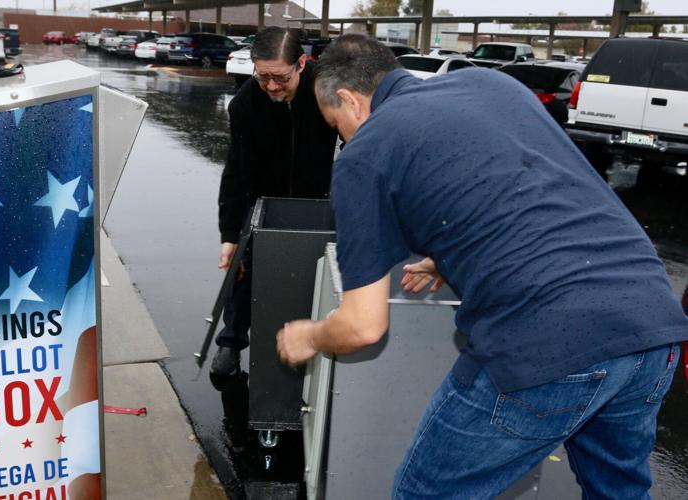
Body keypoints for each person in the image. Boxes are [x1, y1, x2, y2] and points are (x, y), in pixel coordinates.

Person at [276, 34, 688, 498]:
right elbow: (524, 188)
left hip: (547, 339)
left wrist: (310, 336)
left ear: (349, 100)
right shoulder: (493, 84)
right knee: (620, 491)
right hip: (650, 320)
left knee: (425, 494)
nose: (344, 138)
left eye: (337, 125)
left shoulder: (365, 152)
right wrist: (449, 254)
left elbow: (362, 327)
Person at [211, 27, 338, 376]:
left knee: (316, 275)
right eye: (262, 76)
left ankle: (315, 341)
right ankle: (231, 342)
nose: (270, 86)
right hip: (264, 199)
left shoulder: (327, 90)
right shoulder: (245, 105)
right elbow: (236, 172)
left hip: (319, 199)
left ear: (302, 63)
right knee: (244, 269)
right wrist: (230, 235)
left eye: (280, 78)